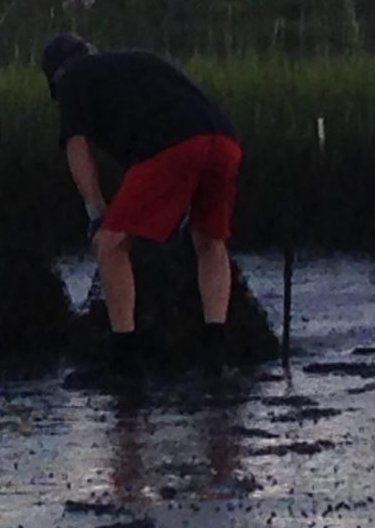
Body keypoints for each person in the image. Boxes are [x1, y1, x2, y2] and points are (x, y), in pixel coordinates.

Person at [40, 33, 242, 376]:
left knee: (110, 244)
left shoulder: (73, 78)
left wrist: (96, 211)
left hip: (172, 144)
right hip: (223, 140)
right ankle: (215, 354)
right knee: (209, 240)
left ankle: (124, 359)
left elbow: (76, 147)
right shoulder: (137, 61)